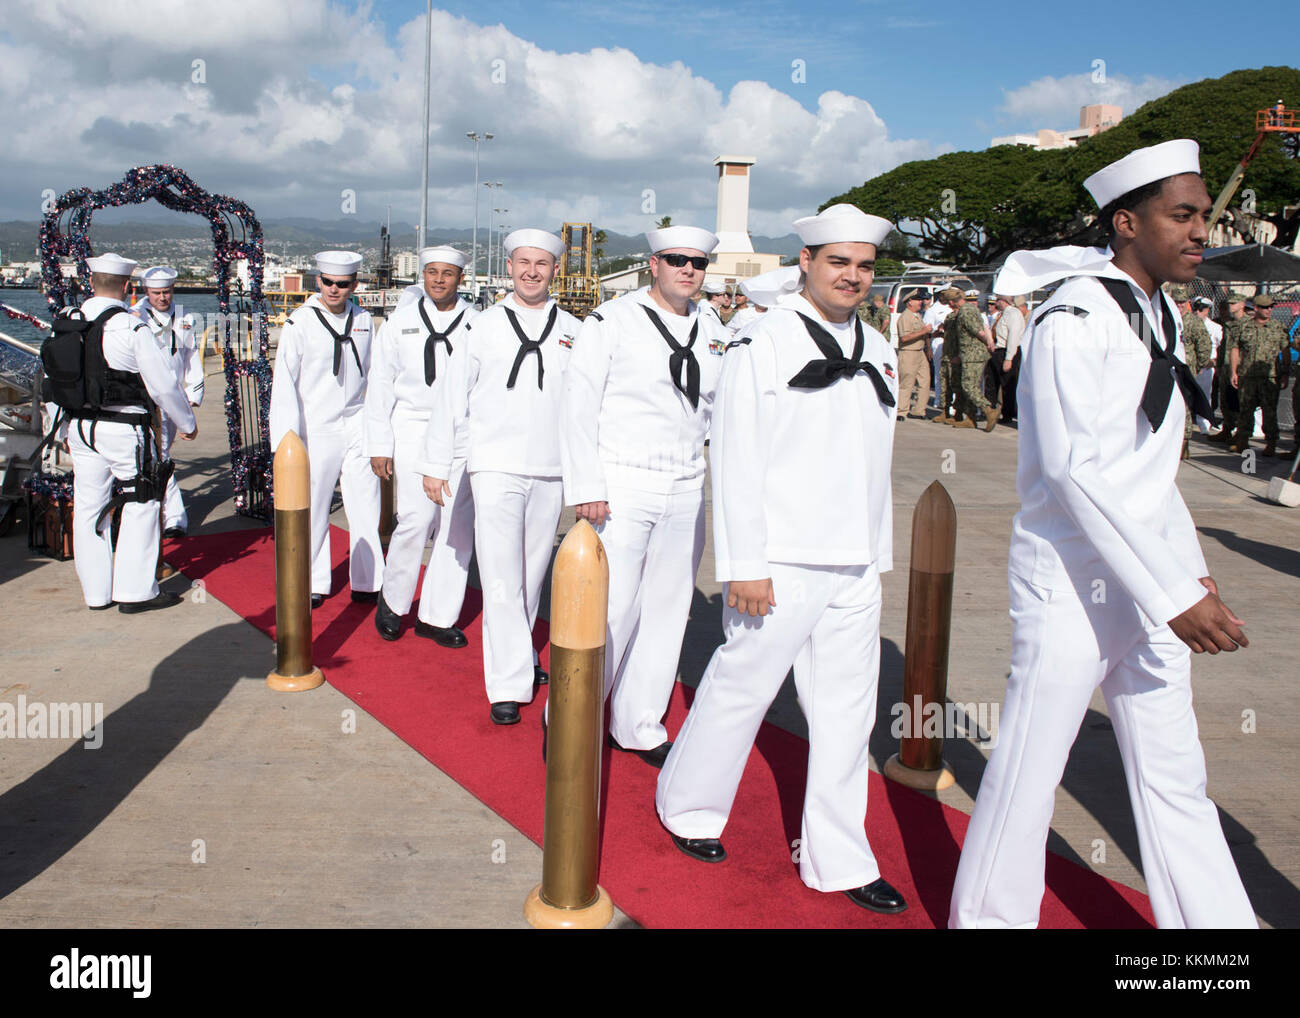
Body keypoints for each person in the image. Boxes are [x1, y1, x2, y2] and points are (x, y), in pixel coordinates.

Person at [949, 139, 1255, 929]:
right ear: (1127, 222)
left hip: (1152, 582)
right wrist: (1170, 592)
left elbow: (1151, 472)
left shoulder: (1155, 311)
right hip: (1072, 584)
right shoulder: (1076, 315)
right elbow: (1073, 470)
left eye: (1204, 218)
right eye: (1182, 216)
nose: (1200, 234)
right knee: (1027, 772)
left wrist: (1189, 573)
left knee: (1174, 775)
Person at [656, 204, 908, 915]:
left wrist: (875, 553)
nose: (852, 276)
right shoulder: (761, 341)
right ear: (805, 261)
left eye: (863, 265)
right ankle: (690, 808)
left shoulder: (880, 345)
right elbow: (734, 457)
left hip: (857, 560)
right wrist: (744, 564)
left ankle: (838, 858)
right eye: (838, 262)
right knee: (742, 688)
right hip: (782, 559)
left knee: (847, 714)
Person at [561, 225, 729, 766]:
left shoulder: (712, 325)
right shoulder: (613, 320)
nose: (688, 269)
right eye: (677, 259)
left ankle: (638, 723)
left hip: (685, 483)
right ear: (653, 264)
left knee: (668, 609)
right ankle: (570, 719)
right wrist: (586, 486)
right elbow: (578, 403)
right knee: (609, 609)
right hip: (622, 482)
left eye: (698, 263)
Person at [423, 229, 579, 725]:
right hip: (493, 464)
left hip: (551, 467)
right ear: (509, 266)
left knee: (533, 572)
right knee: (499, 574)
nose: (532, 271)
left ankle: (521, 658)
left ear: (556, 270)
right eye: (523, 262)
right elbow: (451, 397)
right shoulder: (481, 325)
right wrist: (435, 463)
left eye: (542, 263)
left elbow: (588, 406)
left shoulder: (577, 329)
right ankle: (507, 683)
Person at [60, 254, 197, 613]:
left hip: (79, 428)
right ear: (127, 287)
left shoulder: (69, 323)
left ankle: (97, 593)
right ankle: (135, 591)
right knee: (142, 502)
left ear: (91, 283)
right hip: (123, 429)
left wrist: (60, 426)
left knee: (89, 509)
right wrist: (187, 423)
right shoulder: (131, 328)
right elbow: (163, 387)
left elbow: (57, 379)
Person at [365, 246, 477, 643]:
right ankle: (393, 601)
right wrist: (379, 444)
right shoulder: (401, 322)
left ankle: (437, 615)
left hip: (461, 432)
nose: (439, 280)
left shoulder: (478, 323)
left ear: (460, 278)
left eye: (448, 273)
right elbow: (379, 383)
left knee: (456, 527)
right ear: (423, 276)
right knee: (415, 520)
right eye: (432, 272)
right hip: (411, 425)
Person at [268, 251, 382, 609]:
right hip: (316, 425)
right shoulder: (299, 323)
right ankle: (314, 580)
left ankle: (368, 580)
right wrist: (287, 439)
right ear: (318, 281)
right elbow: (284, 382)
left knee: (366, 502)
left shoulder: (364, 320)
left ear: (354, 285)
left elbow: (377, 377)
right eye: (329, 282)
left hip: (357, 420)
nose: (335, 289)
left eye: (343, 284)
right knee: (315, 504)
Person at [132, 265, 203, 536]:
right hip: (148, 398)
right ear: (146, 291)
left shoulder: (185, 317)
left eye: (167, 292)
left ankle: (162, 514)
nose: (163, 298)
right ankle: (175, 517)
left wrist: (193, 395)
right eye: (157, 293)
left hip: (176, 398)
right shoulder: (135, 317)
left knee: (162, 455)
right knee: (160, 456)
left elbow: (191, 356)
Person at [1228, 293, 1289, 457]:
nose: (1269, 310)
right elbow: (1235, 348)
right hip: (1247, 376)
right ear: (1256, 308)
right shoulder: (1243, 326)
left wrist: (1285, 373)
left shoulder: (1278, 327)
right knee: (1245, 409)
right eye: (1265, 307)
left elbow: (1285, 350)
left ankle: (1271, 443)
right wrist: (1233, 371)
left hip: (1270, 377)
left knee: (1269, 411)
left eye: (1271, 307)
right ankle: (1242, 441)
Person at [950, 288, 997, 431]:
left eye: (949, 303)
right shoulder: (971, 308)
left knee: (968, 386)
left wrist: (989, 342)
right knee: (971, 385)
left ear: (953, 302)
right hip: (969, 353)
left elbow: (978, 331)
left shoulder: (966, 311)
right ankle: (970, 418)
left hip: (973, 354)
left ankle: (988, 410)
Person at [1211, 291, 1249, 442]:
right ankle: (1227, 429)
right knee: (1225, 400)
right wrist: (1220, 364)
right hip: (1226, 366)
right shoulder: (1229, 324)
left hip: (1239, 368)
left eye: (1233, 303)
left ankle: (1240, 434)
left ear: (1242, 305)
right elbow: (1223, 347)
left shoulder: (1248, 324)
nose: (1230, 306)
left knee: (1239, 402)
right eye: (1229, 303)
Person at [895, 289, 932, 419]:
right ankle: (901, 411)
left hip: (920, 351)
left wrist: (928, 349)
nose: (920, 302)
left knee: (924, 382)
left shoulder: (918, 315)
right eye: (918, 300)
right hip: (909, 352)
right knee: (907, 383)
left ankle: (919, 410)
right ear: (910, 302)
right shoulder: (905, 316)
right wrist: (923, 331)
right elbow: (904, 338)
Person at [993, 293, 1026, 422]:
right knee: (1002, 384)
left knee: (1009, 385)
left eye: (997, 300)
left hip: (1009, 351)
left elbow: (1013, 337)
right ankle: (1003, 412)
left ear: (1003, 301)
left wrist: (1009, 358)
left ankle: (1008, 414)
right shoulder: (1005, 313)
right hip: (1001, 350)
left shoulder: (1013, 314)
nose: (996, 303)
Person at [928, 287, 960, 421]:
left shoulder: (954, 309)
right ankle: (940, 401)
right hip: (939, 343)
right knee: (940, 374)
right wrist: (928, 348)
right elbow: (928, 331)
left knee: (953, 375)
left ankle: (953, 405)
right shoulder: (932, 310)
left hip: (952, 344)